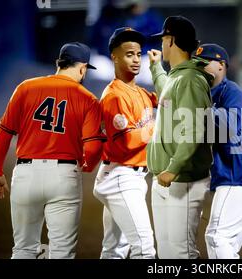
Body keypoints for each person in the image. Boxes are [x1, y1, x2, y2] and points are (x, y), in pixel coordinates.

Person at [0, 42, 103, 259]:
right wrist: (88, 164)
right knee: (61, 251)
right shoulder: (88, 99)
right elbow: (94, 146)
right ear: (82, 68)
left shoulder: (26, 87)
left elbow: (4, 132)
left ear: (58, 63)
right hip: (64, 177)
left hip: (25, 174)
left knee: (23, 248)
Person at [193, 43, 242, 259]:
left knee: (217, 238)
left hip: (240, 178)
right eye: (196, 64)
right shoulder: (205, 94)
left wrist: (196, 107)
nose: (199, 68)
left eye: (204, 63)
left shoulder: (232, 92)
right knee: (226, 245)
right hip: (234, 178)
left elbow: (228, 129)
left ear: (221, 65)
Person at [147, 15, 213, 259]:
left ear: (172, 40)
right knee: (167, 253)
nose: (162, 45)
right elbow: (167, 91)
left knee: (181, 253)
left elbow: (193, 130)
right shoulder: (178, 76)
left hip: (182, 179)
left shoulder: (190, 80)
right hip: (169, 178)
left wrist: (173, 168)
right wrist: (155, 68)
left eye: (164, 40)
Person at [93, 27, 158, 259]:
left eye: (138, 54)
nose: (135, 59)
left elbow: (169, 96)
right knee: (144, 248)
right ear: (114, 56)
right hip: (122, 176)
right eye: (129, 54)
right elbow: (128, 142)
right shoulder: (114, 96)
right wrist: (156, 129)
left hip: (132, 177)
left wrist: (158, 68)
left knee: (114, 251)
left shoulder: (140, 92)